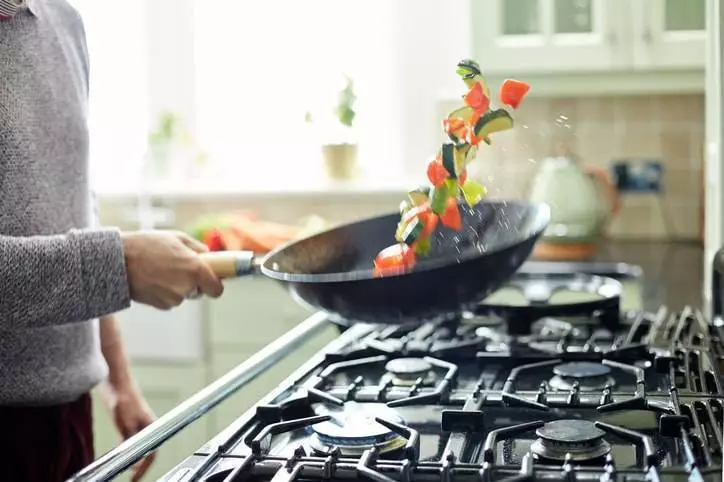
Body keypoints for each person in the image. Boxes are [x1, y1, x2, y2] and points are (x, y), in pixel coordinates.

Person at [0, 0, 226, 480]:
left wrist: (118, 379)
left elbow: (77, 205)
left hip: (67, 421)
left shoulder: (64, 21)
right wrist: (120, 264)